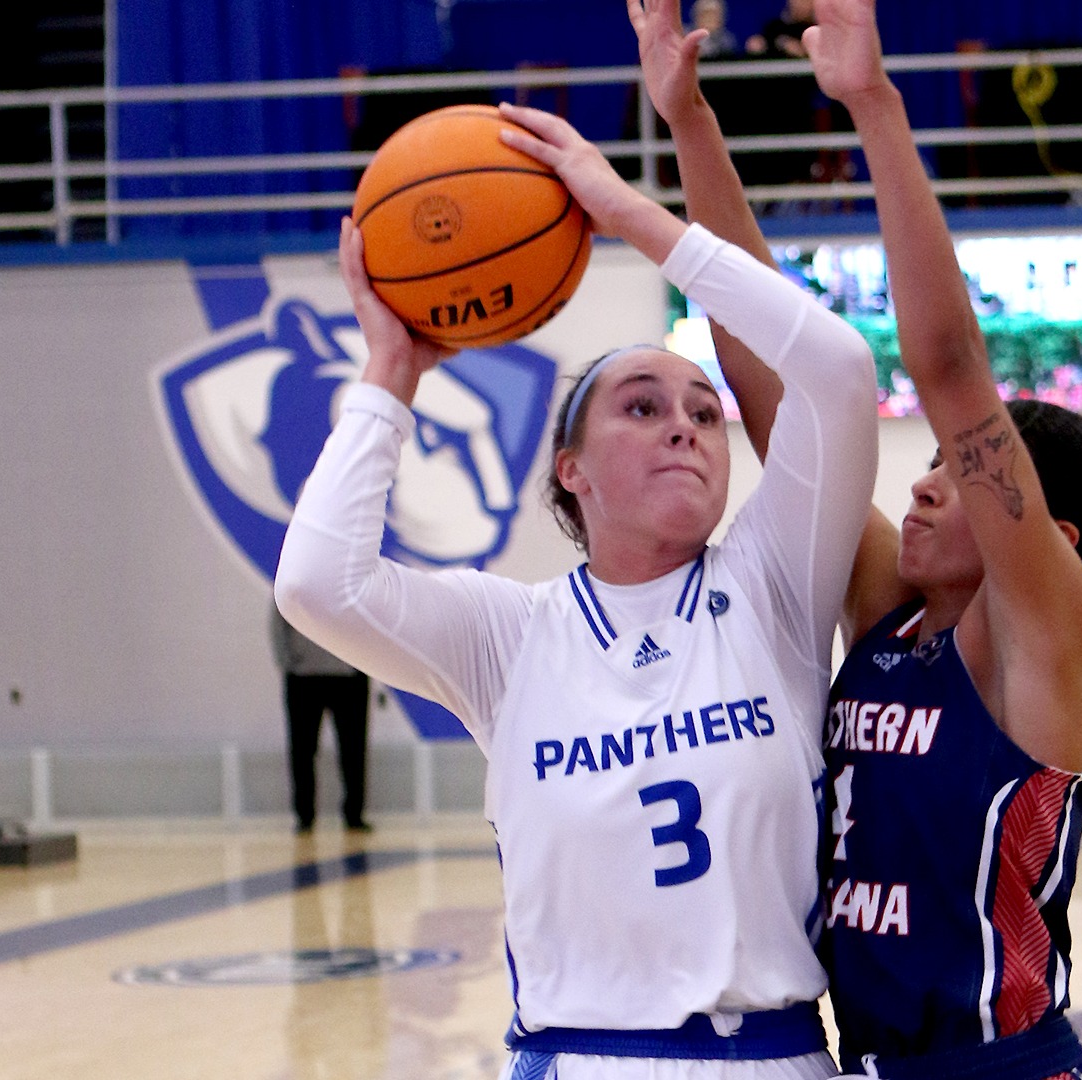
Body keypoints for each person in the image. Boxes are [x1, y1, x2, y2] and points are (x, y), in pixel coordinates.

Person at [627, 1, 1082, 1076]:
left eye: (960, 472)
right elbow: (774, 375)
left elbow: (948, 369)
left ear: (1050, 538)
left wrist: (875, 106)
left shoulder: (1034, 644)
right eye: (934, 468)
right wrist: (690, 120)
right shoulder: (892, 607)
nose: (933, 484)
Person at [273, 93, 879, 1079]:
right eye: (642, 407)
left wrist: (632, 215)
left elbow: (841, 371)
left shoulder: (775, 586)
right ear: (572, 469)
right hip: (575, 1056)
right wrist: (390, 372)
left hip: (770, 1054)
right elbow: (316, 583)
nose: (685, 424)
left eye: (701, 410)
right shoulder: (509, 636)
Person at [270, 602, 371, 834]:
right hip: (303, 677)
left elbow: (369, 621)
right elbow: (278, 620)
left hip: (349, 675)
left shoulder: (353, 579)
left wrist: (363, 661)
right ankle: (304, 815)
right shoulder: (296, 575)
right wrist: (289, 662)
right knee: (302, 750)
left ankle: (354, 814)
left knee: (353, 749)